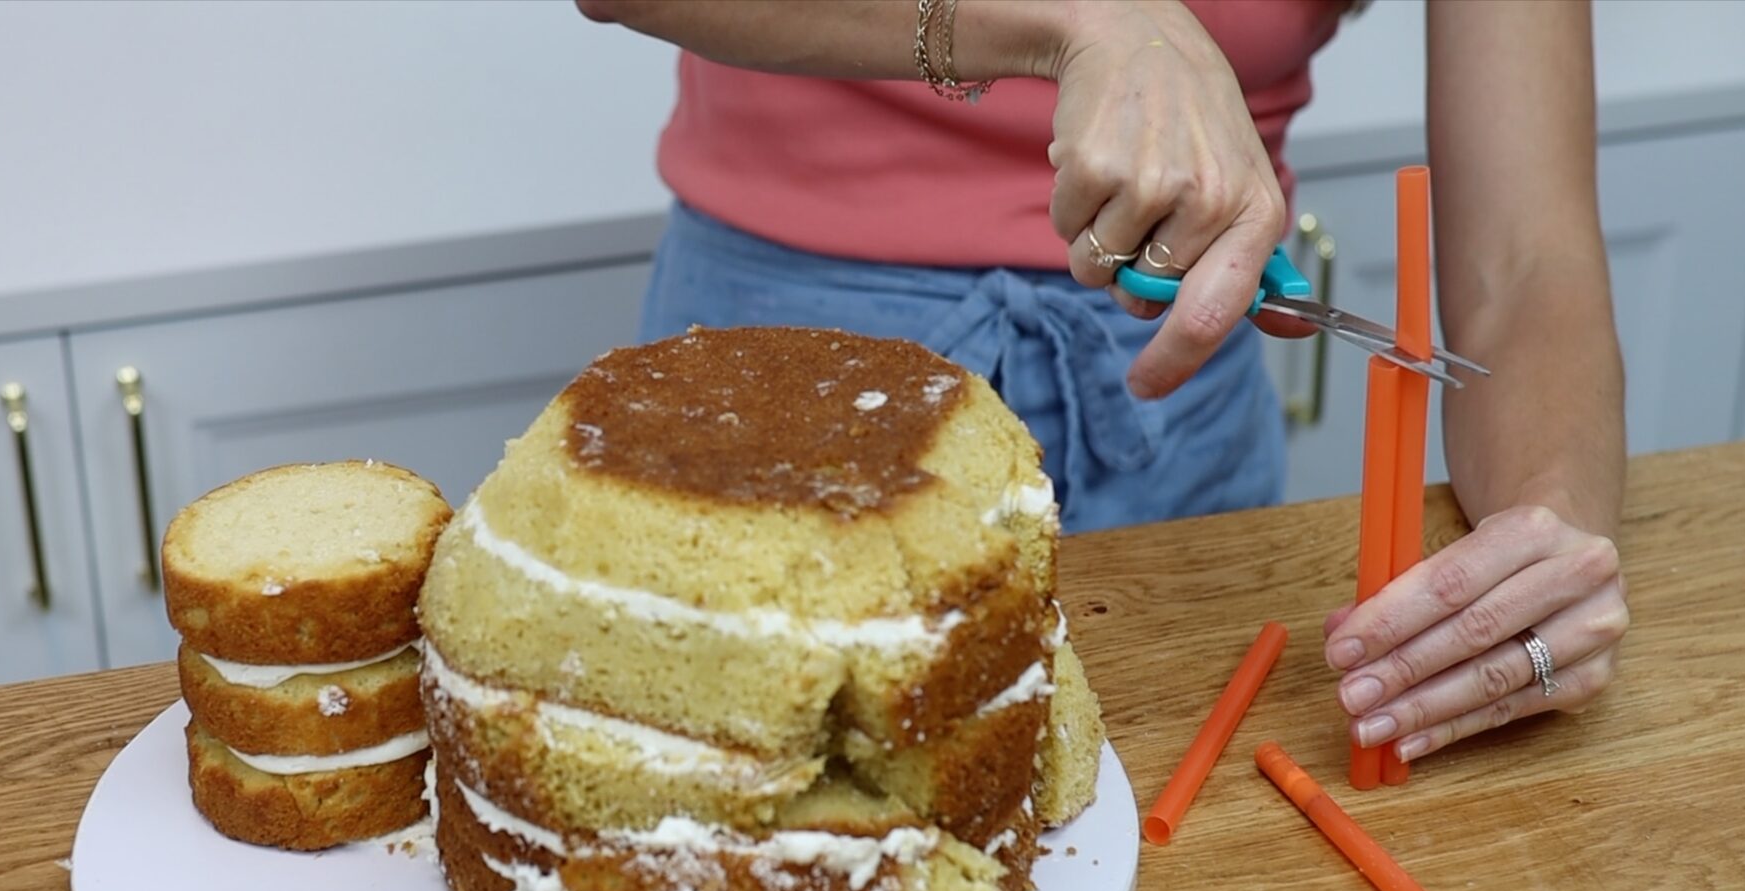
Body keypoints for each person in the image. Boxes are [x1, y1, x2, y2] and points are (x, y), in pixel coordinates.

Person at [574, 0, 1629, 767]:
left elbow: (1525, 264)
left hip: (1177, 432)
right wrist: (1087, 19)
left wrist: (1544, 535)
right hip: (776, 383)